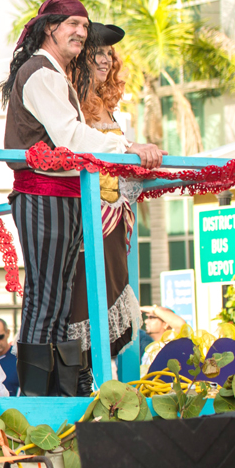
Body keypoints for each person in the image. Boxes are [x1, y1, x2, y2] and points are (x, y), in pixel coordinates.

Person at [1, 0, 163, 397]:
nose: (81, 32)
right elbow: (70, 136)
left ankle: (62, 390)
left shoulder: (54, 73)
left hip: (63, 194)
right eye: (72, 24)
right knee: (45, 296)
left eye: (84, 26)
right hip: (43, 192)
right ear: (49, 28)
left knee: (57, 299)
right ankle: (37, 397)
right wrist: (127, 148)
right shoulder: (41, 73)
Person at [64, 24, 142, 358]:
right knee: (84, 297)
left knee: (112, 290)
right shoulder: (72, 101)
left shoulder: (109, 106)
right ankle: (81, 380)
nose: (105, 59)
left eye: (108, 53)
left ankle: (101, 382)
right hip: (86, 214)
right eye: (96, 52)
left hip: (115, 214)